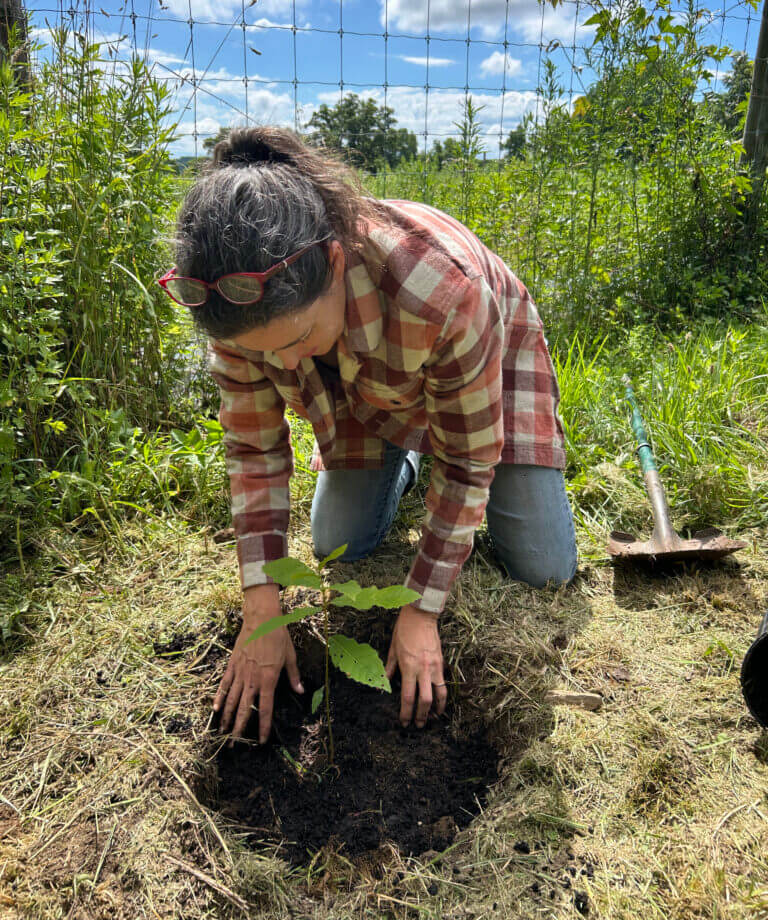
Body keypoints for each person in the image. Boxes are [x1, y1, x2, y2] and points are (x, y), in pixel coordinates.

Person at [159, 126, 577, 747]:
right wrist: (261, 601)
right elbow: (254, 450)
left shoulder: (441, 291)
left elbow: (466, 457)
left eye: (294, 341)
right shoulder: (234, 307)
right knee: (338, 540)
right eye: (259, 355)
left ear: (332, 264)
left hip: (488, 366)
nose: (281, 363)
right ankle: (403, 461)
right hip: (359, 390)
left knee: (544, 567)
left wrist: (421, 609)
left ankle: (421, 448)